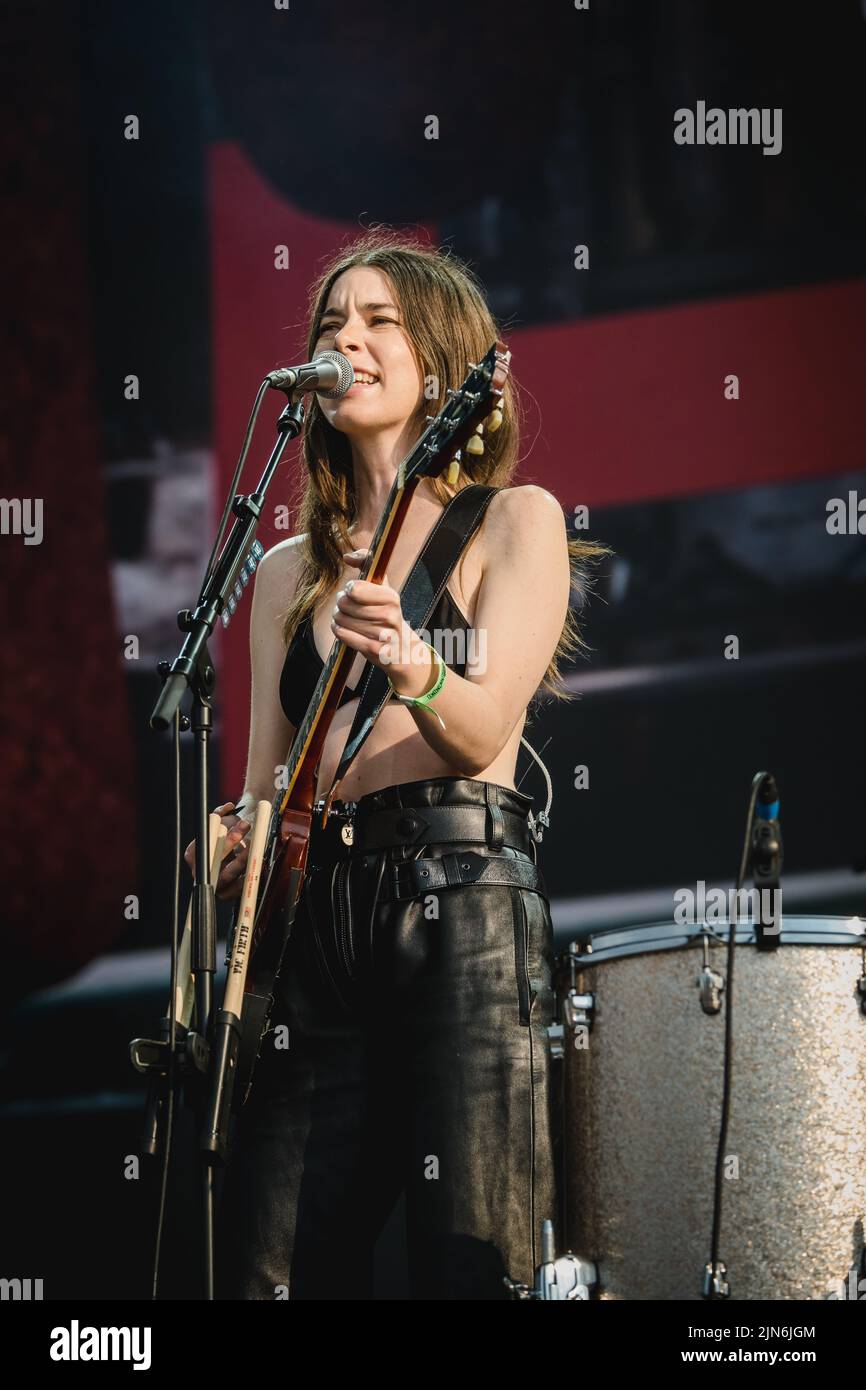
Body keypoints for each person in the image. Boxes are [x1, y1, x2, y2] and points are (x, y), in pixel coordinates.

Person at [185, 231, 605, 1300]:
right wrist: (230, 840)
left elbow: (477, 733)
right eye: (330, 324)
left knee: (470, 1254)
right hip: (318, 914)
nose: (346, 341)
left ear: (441, 364)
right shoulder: (286, 572)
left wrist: (416, 663)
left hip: (457, 899)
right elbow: (266, 787)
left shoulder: (514, 522)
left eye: (377, 322)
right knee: (261, 1265)